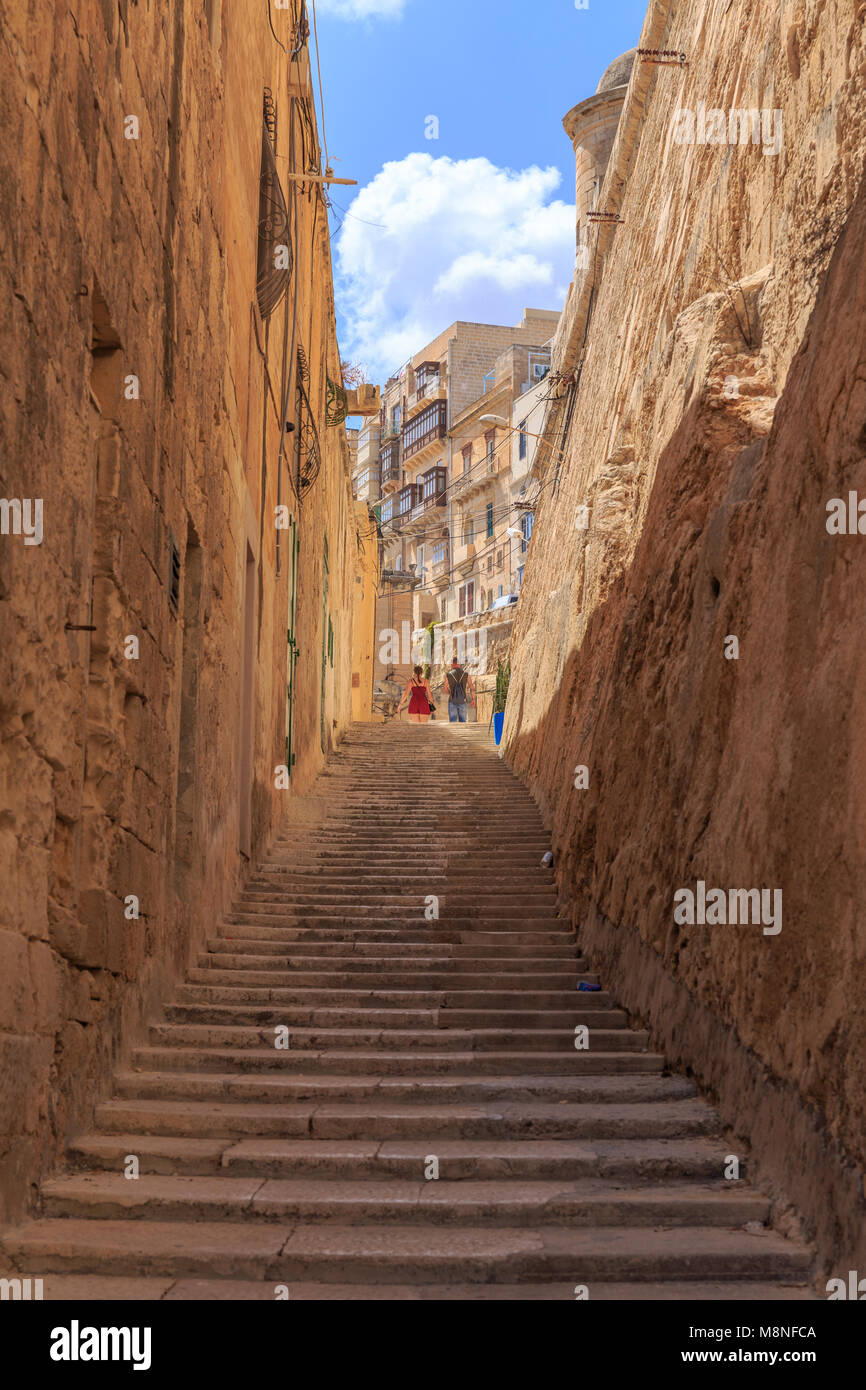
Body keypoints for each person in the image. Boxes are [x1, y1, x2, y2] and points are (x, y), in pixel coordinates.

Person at [444, 657, 475, 723]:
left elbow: (445, 689)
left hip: (452, 700)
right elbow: (471, 687)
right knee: (463, 722)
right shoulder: (466, 674)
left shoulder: (448, 675)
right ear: (459, 664)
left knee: (452, 722)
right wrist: (473, 699)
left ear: (452, 664)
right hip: (462, 700)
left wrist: (452, 693)